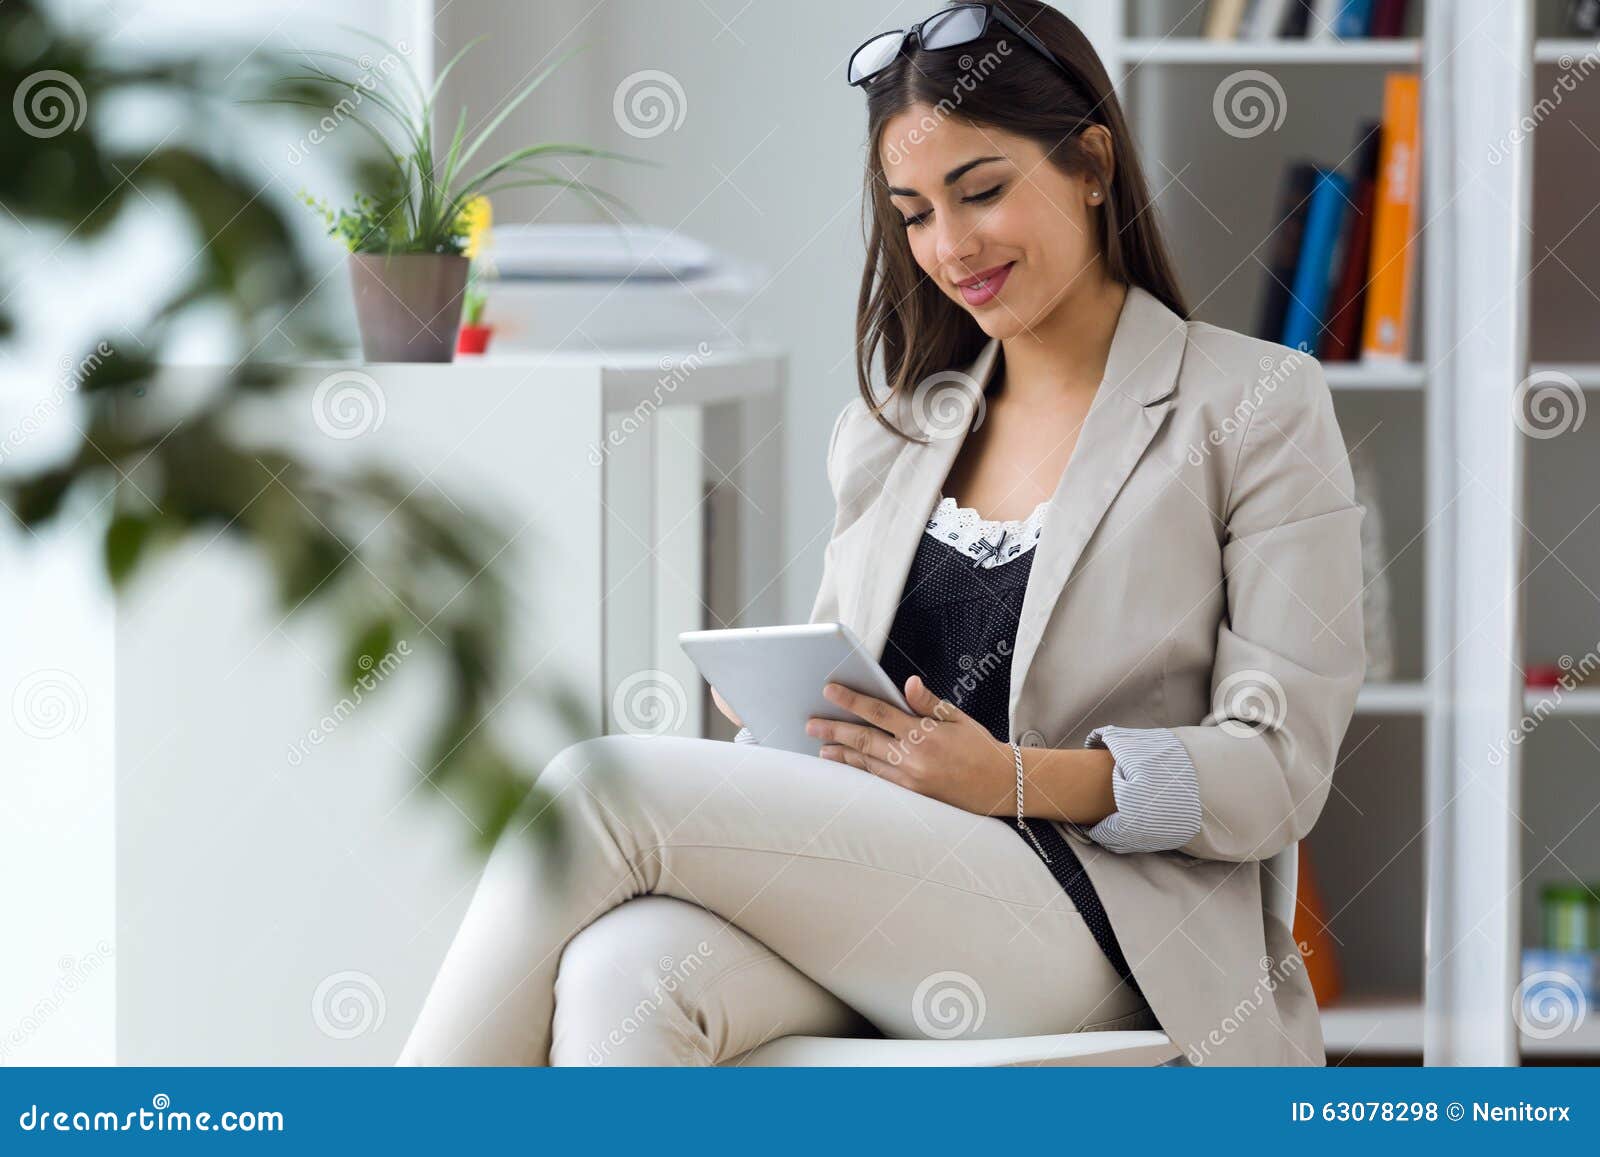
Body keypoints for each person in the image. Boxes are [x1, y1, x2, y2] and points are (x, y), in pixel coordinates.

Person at [398, 0, 1364, 1068]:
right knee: (623, 970)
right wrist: (791, 716)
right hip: (904, 908)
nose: (948, 246)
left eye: (982, 191)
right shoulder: (893, 431)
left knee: (600, 787)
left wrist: (1011, 779)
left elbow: (1277, 768)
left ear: (1090, 164)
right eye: (912, 212)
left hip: (1108, 928)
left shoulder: (1254, 403)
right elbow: (844, 734)